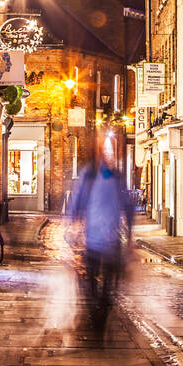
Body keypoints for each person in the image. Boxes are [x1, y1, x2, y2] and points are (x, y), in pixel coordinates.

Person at [66, 131, 135, 338]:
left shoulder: (118, 177)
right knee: (90, 280)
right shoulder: (89, 174)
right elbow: (77, 201)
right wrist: (72, 223)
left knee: (109, 283)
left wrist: (130, 235)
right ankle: (95, 309)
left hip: (112, 239)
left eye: (111, 149)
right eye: (105, 149)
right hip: (93, 238)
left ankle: (101, 311)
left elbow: (128, 206)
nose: (108, 153)